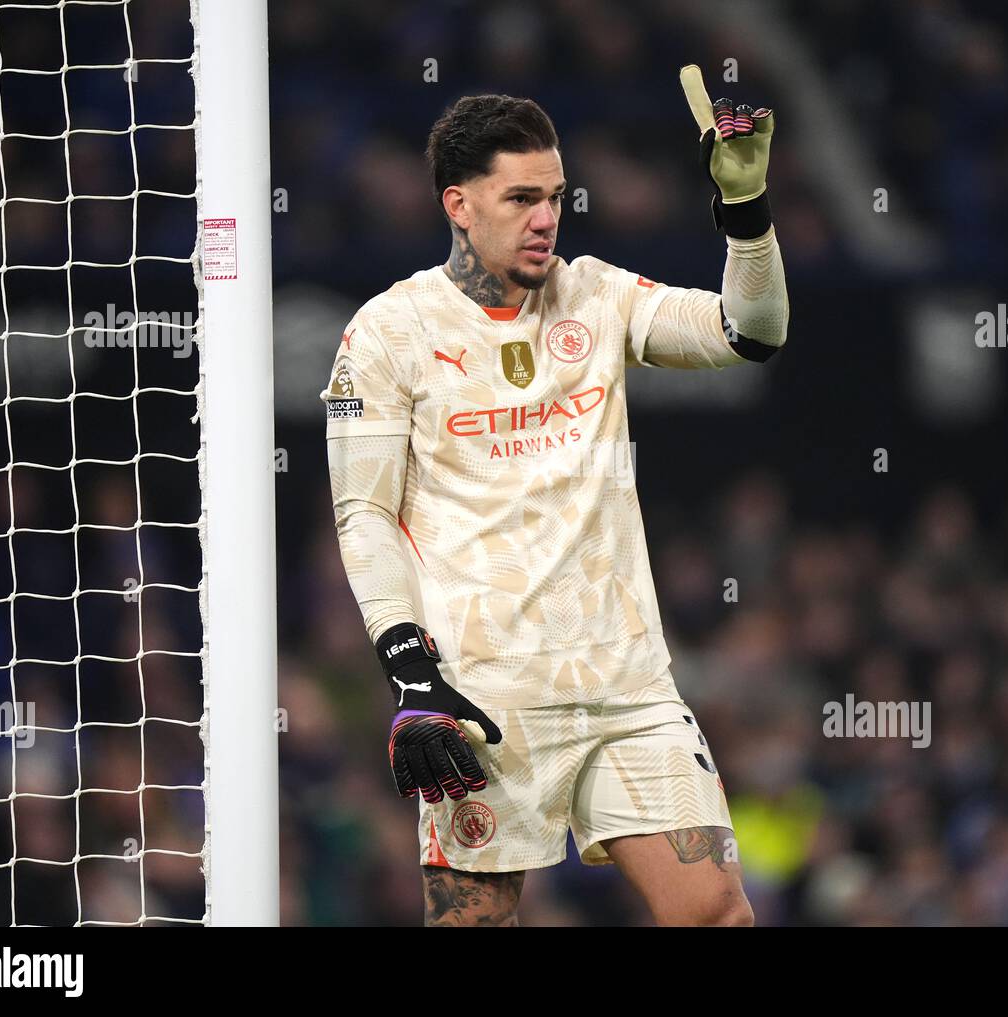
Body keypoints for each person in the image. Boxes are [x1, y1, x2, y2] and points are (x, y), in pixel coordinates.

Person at [322, 65, 789, 926]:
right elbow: (365, 514)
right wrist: (409, 672)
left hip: (627, 685)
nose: (547, 220)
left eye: (558, 197)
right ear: (458, 204)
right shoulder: (389, 333)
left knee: (717, 912)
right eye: (522, 199)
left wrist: (746, 213)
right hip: (483, 695)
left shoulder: (598, 295)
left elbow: (748, 333)